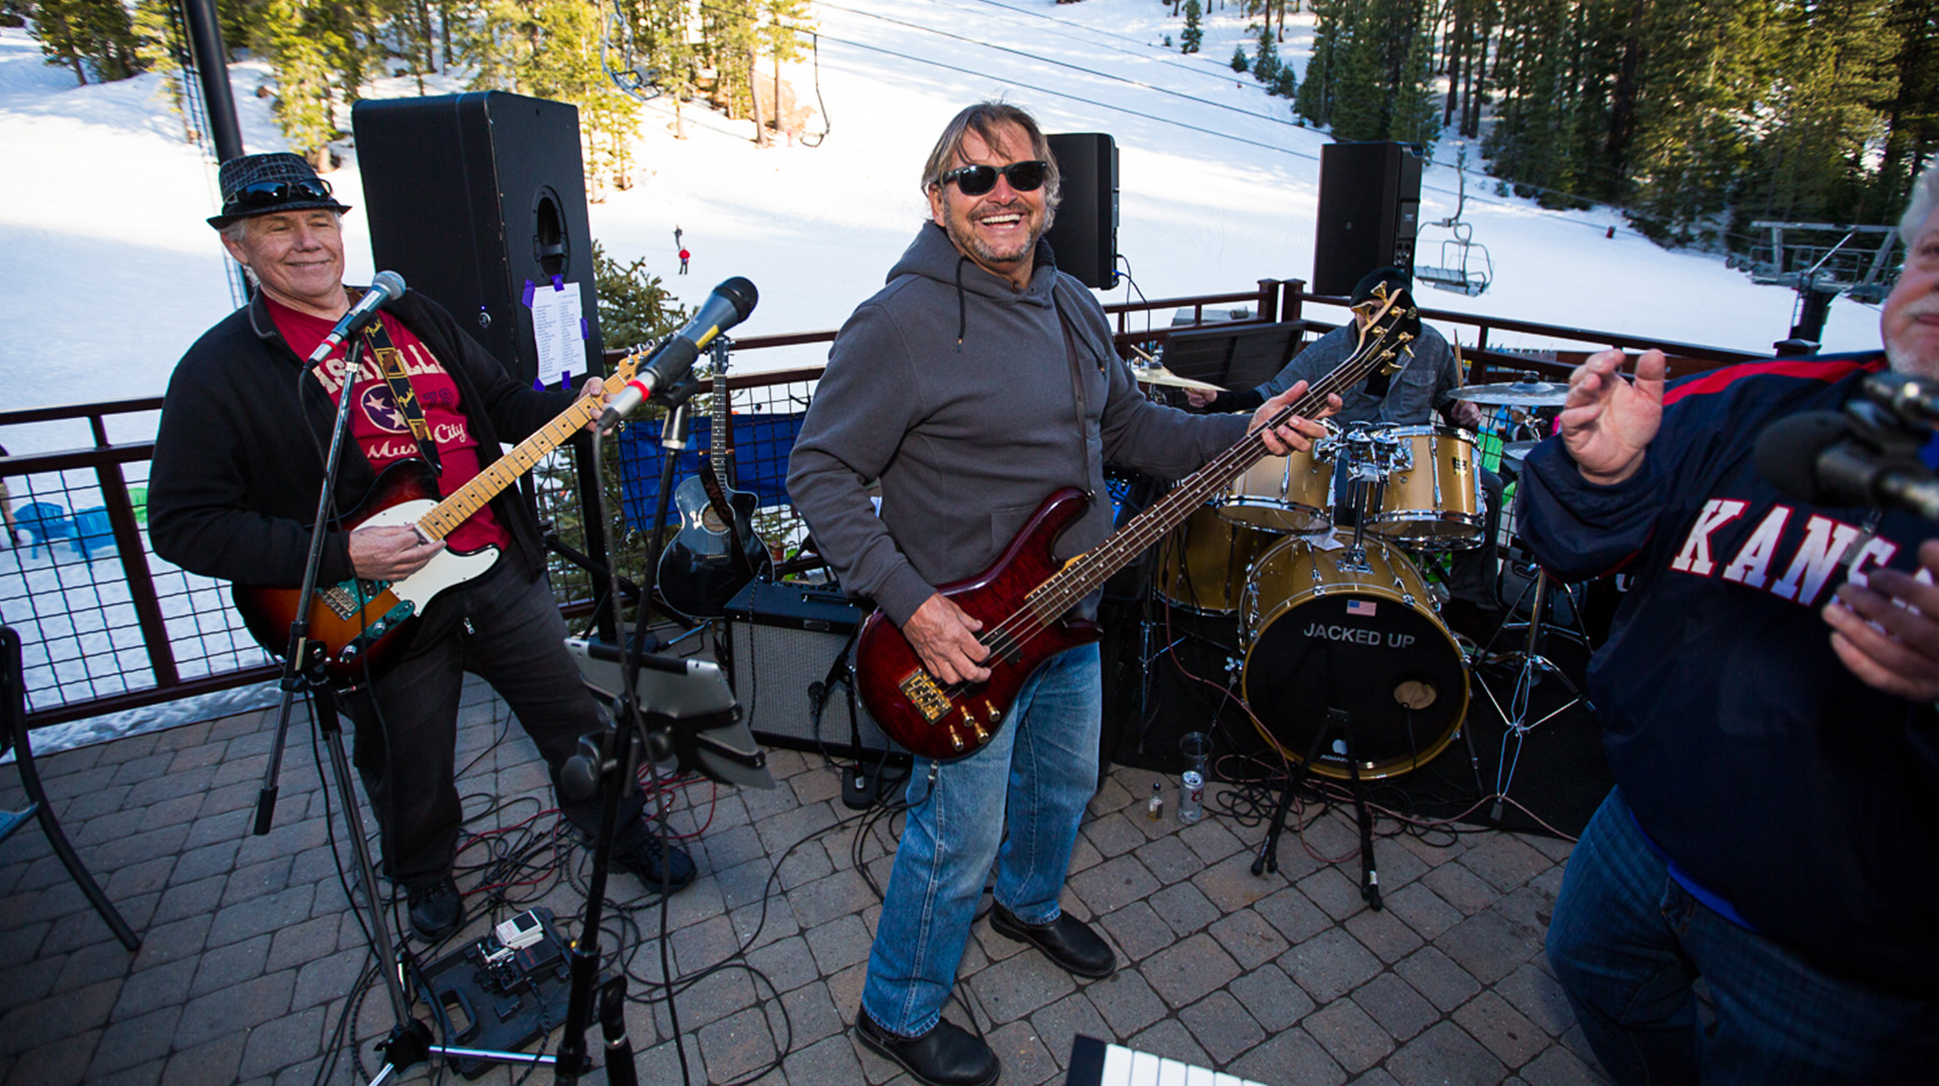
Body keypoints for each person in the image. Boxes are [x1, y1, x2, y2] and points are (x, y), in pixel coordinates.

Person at [787, 102, 1330, 1086]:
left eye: (1022, 175)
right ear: (936, 197)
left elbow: (1135, 429)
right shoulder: (897, 324)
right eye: (975, 177)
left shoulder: (1072, 301)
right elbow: (818, 473)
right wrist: (912, 604)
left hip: (1070, 614)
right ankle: (895, 1009)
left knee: (1063, 788)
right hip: (960, 641)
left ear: (1048, 193)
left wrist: (1255, 428)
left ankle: (1027, 905)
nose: (1002, 194)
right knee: (957, 836)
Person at [147, 152, 694, 943]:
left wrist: (570, 405)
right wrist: (342, 554)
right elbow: (183, 522)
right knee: (408, 761)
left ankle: (619, 826)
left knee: (575, 714)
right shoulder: (221, 369)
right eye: (278, 229)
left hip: (495, 567)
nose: (307, 243)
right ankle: (424, 873)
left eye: (319, 223)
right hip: (377, 603)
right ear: (239, 247)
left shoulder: (408, 317)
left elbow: (499, 400)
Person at [1515, 162, 1939, 1082]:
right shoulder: (1756, 406)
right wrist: (1601, 480)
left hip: (1845, 954)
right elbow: (1564, 539)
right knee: (1590, 971)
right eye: (1934, 255)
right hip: (1643, 835)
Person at [1189, 266, 1504, 630]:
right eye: (1362, 310)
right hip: (1345, 458)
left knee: (1489, 489)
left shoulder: (1431, 344)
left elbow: (1448, 402)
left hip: (1408, 464)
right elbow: (1272, 392)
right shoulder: (1335, 347)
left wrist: (1462, 413)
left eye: (1377, 310)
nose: (1367, 318)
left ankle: (1471, 604)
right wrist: (1219, 400)